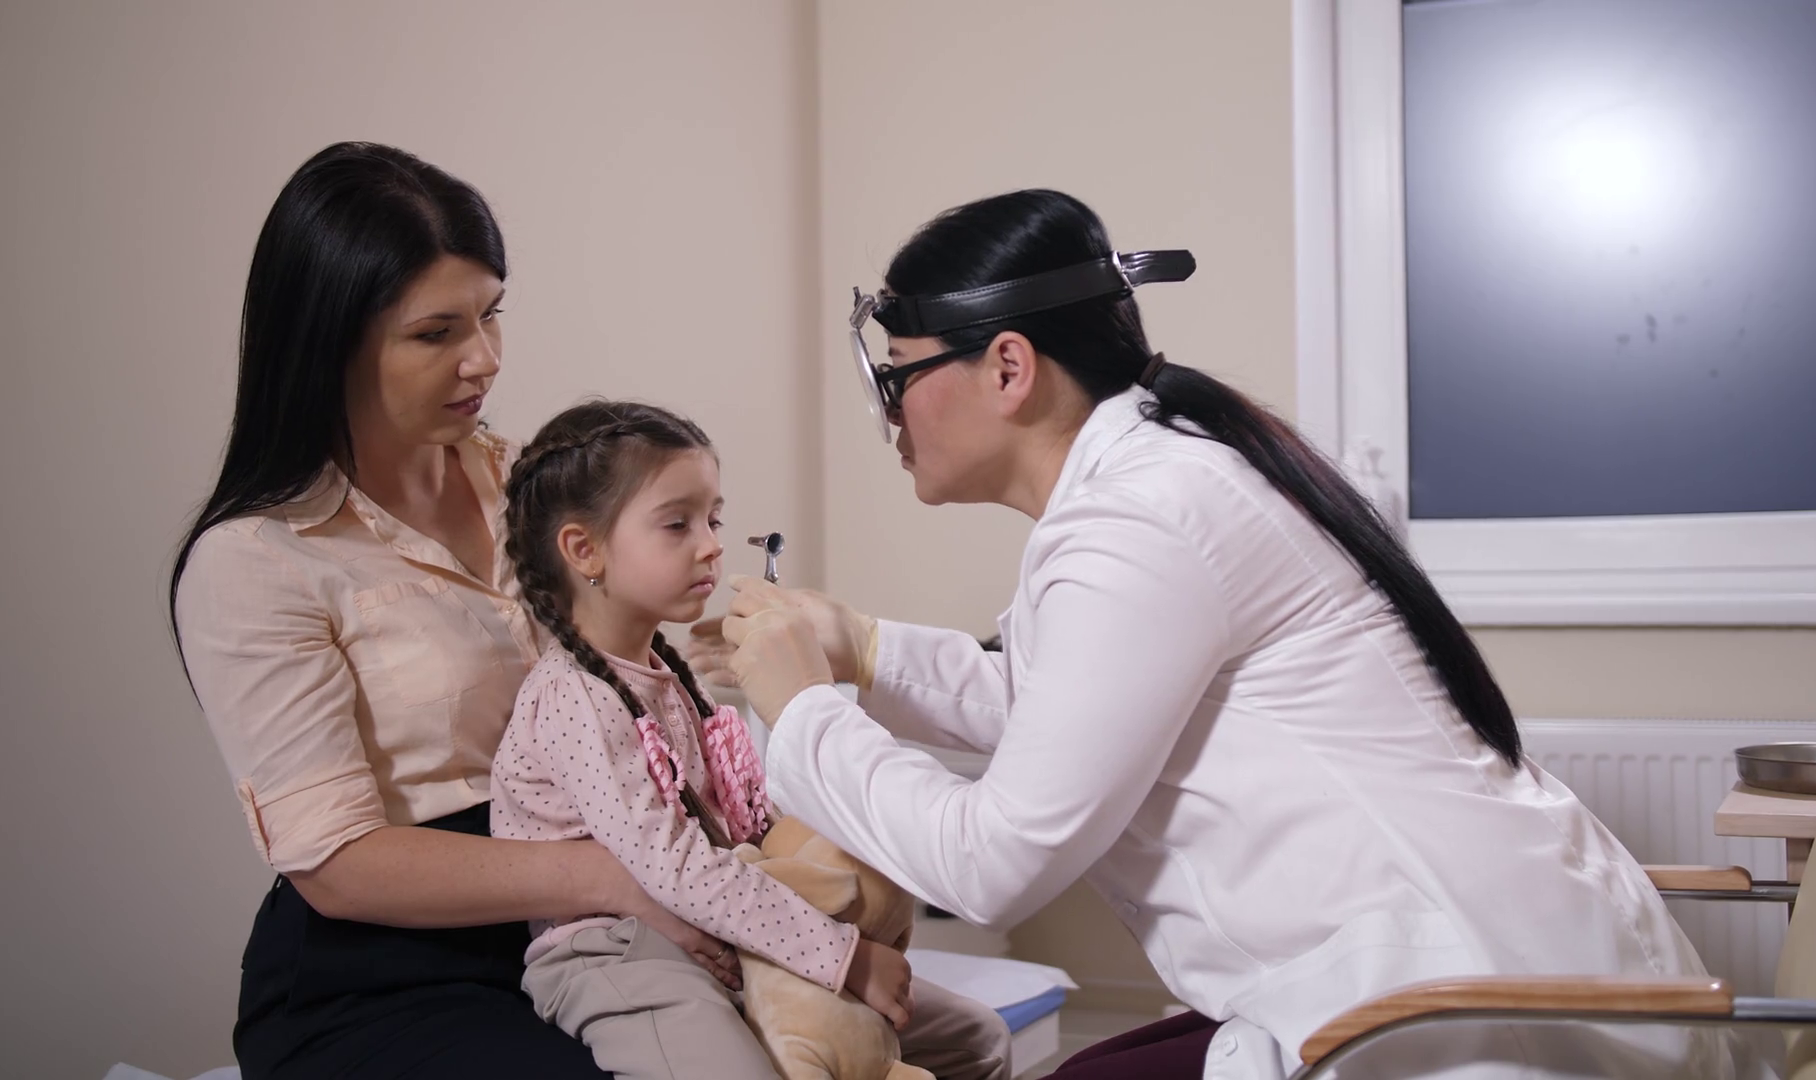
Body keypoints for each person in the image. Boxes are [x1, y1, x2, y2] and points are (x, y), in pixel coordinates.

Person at [695, 189, 1728, 1079]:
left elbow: (993, 864)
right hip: (1457, 960)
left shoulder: (1140, 518)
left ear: (1008, 368)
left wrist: (807, 709)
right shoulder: (1158, 477)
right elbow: (1072, 712)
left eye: (899, 378)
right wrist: (867, 646)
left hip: (1454, 1007)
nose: (892, 417)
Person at [171, 142, 740, 1078]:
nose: (484, 359)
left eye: (491, 315)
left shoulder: (538, 488)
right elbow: (337, 865)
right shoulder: (256, 561)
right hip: (386, 974)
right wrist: (619, 878)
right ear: (328, 340)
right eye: (436, 333)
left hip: (593, 924)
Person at [490, 399, 1011, 1079]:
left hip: (718, 921)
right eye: (677, 524)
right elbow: (675, 867)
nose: (711, 545)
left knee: (977, 1039)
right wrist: (843, 957)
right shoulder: (572, 699)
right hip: (617, 949)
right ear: (584, 550)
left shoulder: (673, 677)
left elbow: (752, 829)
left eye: (714, 520)